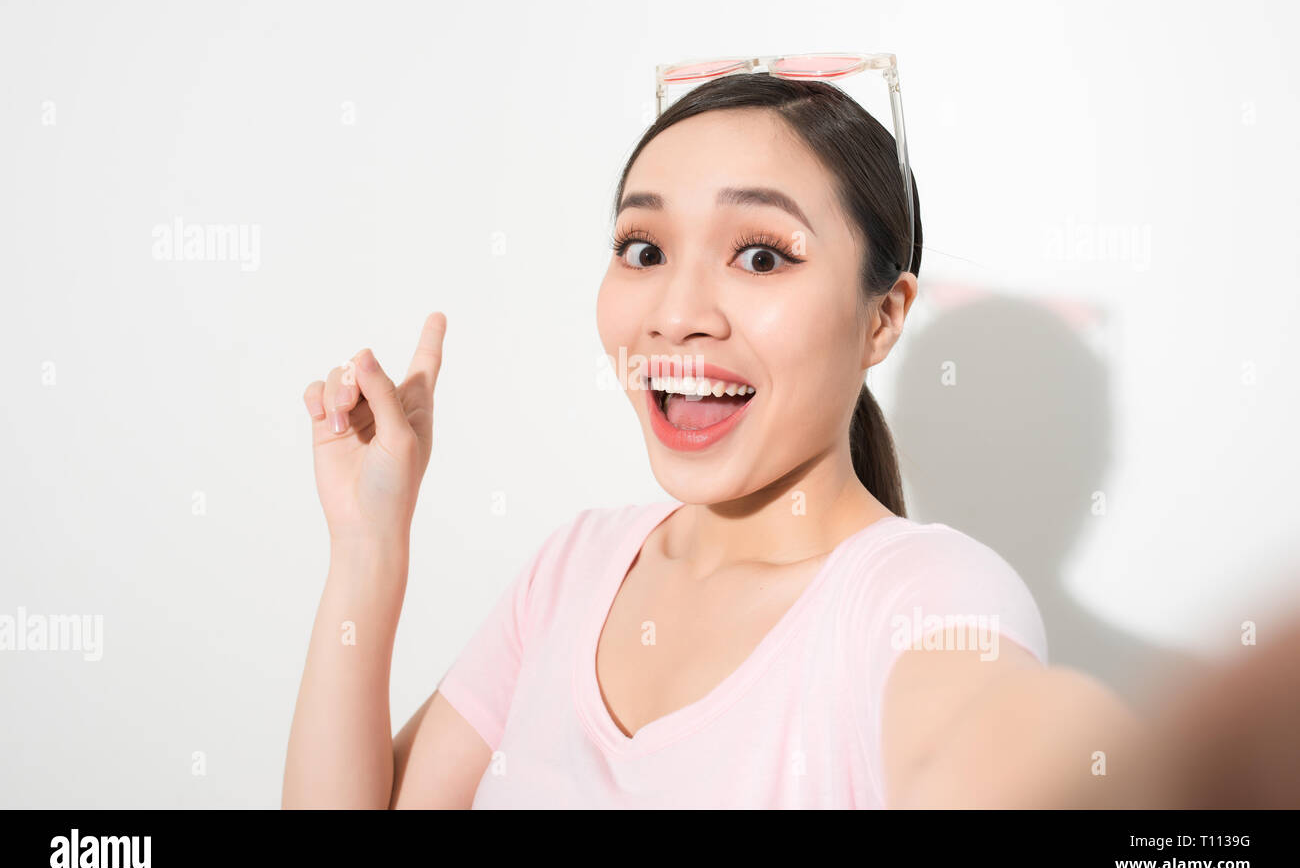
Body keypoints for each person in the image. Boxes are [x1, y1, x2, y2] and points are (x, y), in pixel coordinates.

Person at [282, 74, 1139, 809]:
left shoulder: (917, 593)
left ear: (884, 317)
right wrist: (366, 545)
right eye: (644, 247)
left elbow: (1000, 735)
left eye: (762, 257)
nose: (677, 313)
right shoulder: (574, 568)